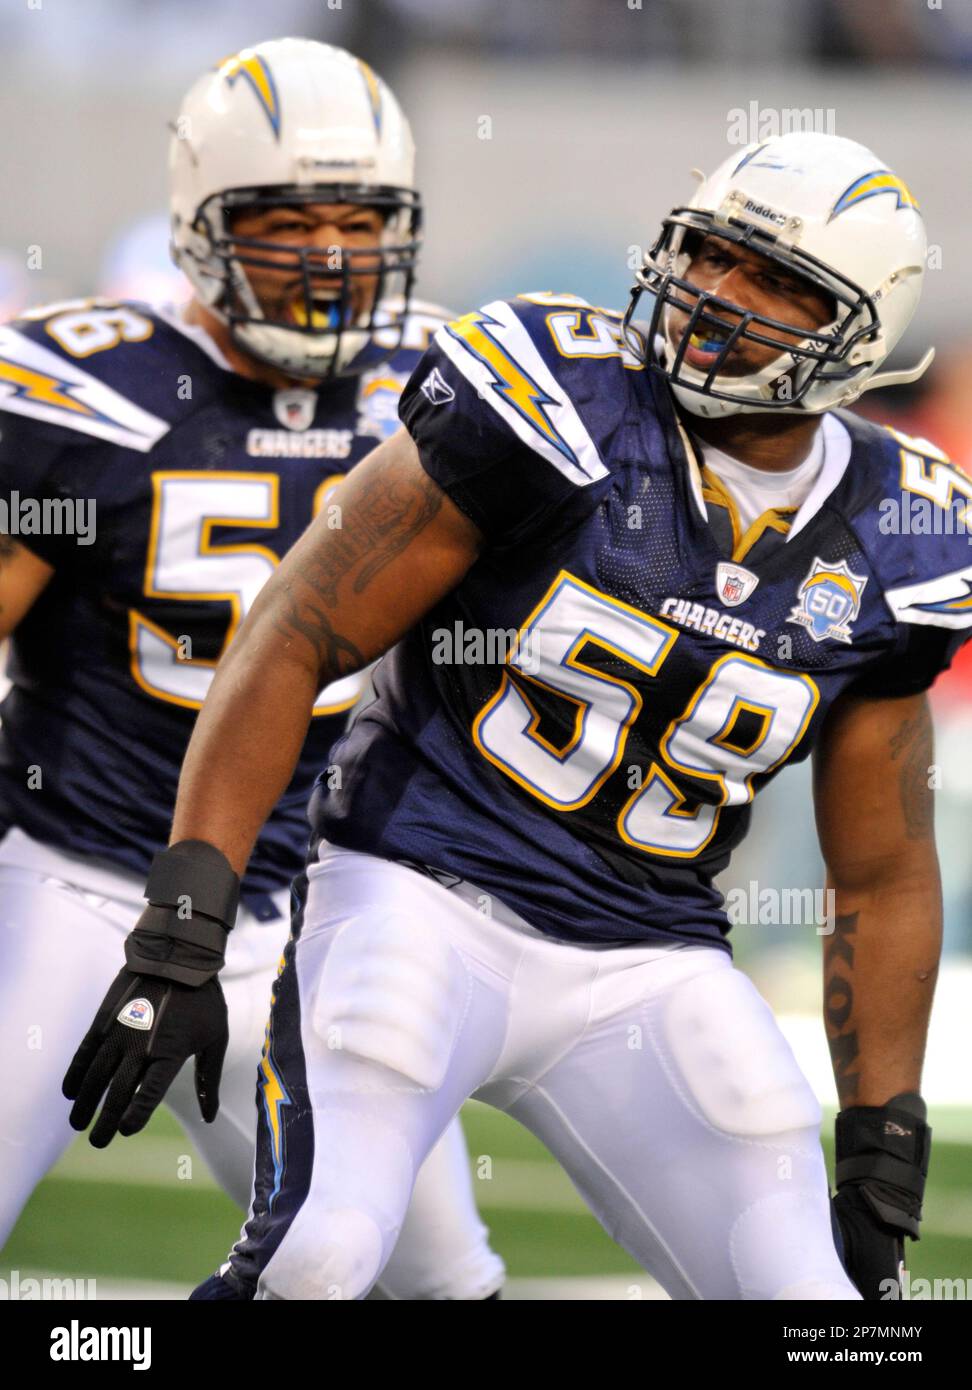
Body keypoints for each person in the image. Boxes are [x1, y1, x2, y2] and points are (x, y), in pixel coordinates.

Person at [67, 132, 963, 1301]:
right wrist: (185, 925)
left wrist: (884, 1130)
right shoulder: (562, 398)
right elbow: (294, 634)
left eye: (782, 286)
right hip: (420, 892)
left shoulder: (904, 534)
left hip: (650, 953)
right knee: (326, 1253)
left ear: (860, 337)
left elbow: (885, 869)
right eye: (714, 257)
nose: (722, 300)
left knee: (826, 1310)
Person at [0, 37, 504, 1301]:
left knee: (434, 1277)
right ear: (203, 221)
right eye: (288, 220)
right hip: (77, 875)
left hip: (304, 915)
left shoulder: (450, 389)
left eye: (363, 218)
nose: (331, 254)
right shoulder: (88, 384)